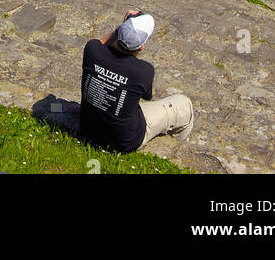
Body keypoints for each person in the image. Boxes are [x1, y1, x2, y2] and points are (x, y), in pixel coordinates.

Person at [79, 9, 194, 152]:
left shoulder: (92, 50)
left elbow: (101, 43)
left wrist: (124, 27)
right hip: (124, 141)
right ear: (142, 46)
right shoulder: (143, 71)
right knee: (184, 103)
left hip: (88, 128)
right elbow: (147, 97)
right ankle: (177, 147)